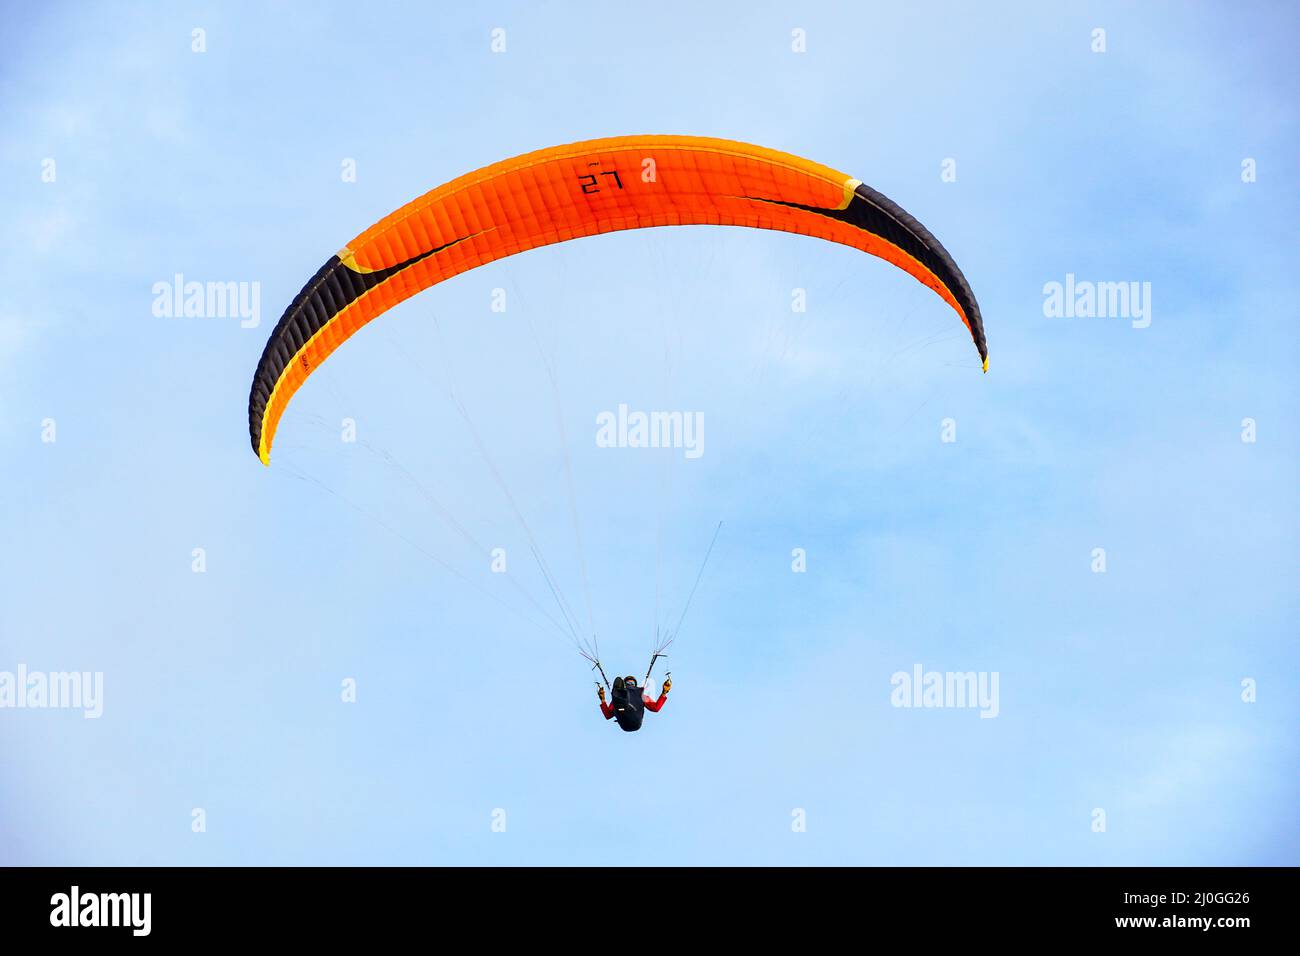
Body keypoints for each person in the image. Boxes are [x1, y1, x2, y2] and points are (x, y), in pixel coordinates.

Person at [598, 674, 671, 733]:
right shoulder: (617, 699)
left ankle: (621, 697)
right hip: (624, 721)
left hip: (635, 719)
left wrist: (664, 692)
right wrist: (603, 699)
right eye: (628, 683)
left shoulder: (641, 694)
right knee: (618, 702)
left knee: (619, 700)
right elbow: (608, 715)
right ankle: (622, 700)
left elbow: (655, 708)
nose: (630, 684)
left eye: (632, 683)